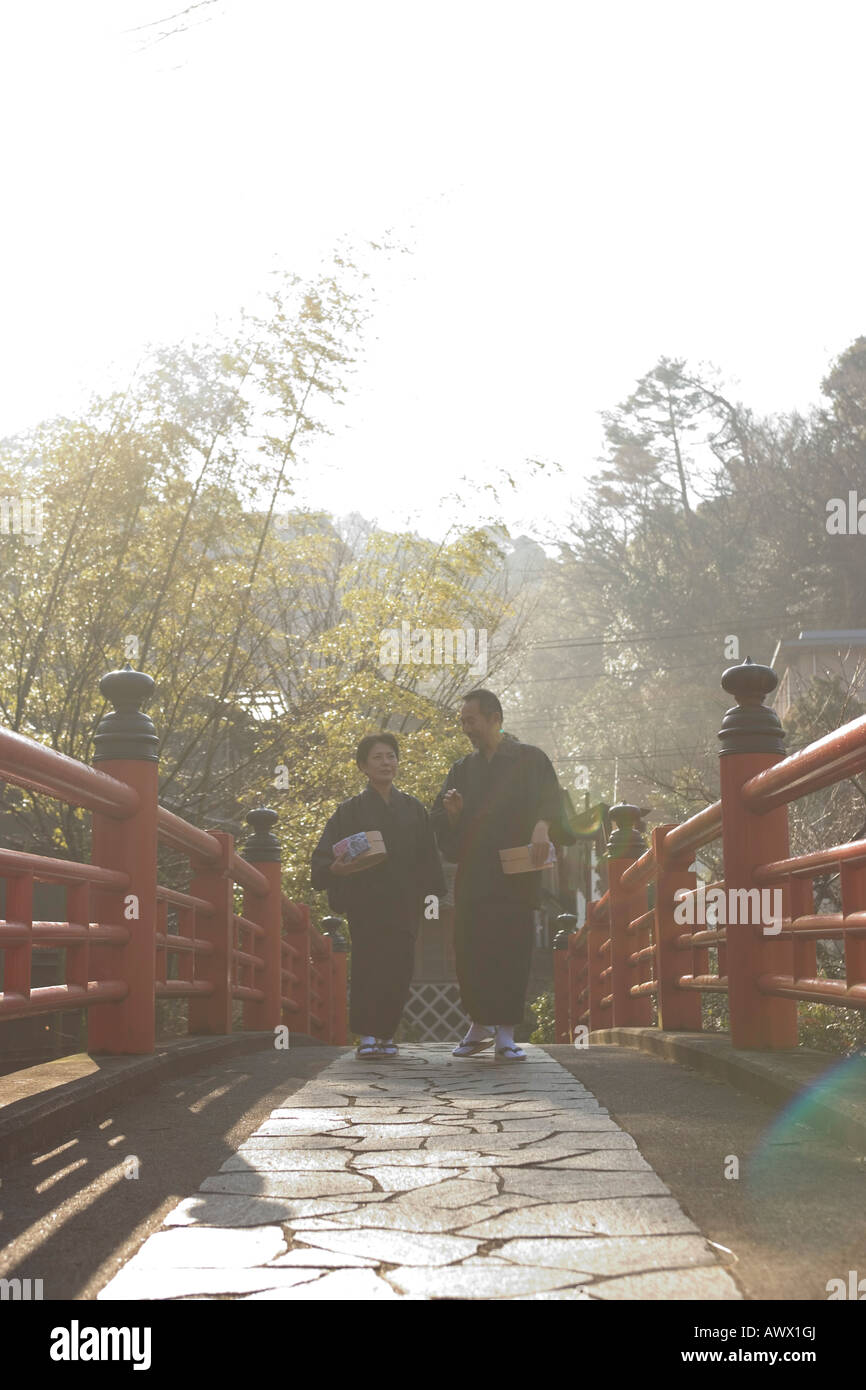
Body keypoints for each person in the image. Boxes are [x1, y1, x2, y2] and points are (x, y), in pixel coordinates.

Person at [430, 689, 564, 1062]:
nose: (466, 728)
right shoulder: (462, 769)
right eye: (462, 722)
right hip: (474, 873)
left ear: (494, 718)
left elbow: (552, 799)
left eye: (470, 720)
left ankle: (505, 1032)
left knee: (510, 947)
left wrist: (542, 826)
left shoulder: (529, 759)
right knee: (470, 948)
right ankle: (478, 1024)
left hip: (516, 872)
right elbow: (440, 823)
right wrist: (453, 814)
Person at [311, 732, 445, 1059]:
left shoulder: (413, 809)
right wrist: (336, 870)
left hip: (404, 902)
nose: (387, 763)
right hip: (366, 902)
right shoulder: (349, 811)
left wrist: (431, 898)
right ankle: (368, 1035)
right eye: (378, 757)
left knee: (400, 967)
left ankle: (386, 1033)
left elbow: (429, 857)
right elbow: (325, 858)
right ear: (363, 767)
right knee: (369, 965)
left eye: (391, 756)